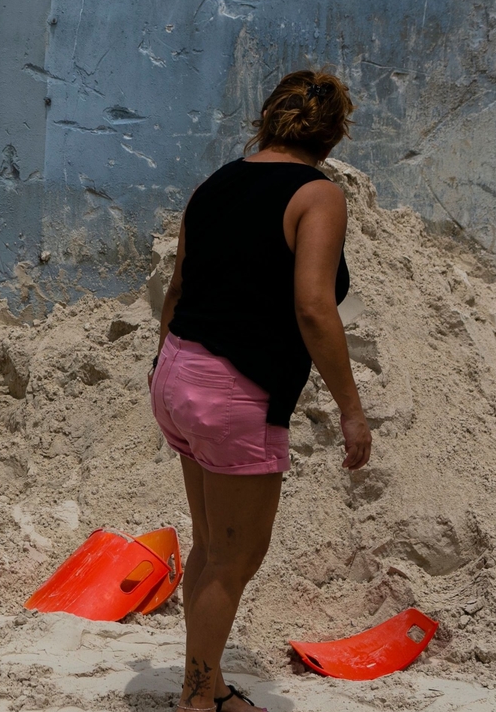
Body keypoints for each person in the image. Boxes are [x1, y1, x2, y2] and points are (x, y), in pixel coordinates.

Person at [150, 69, 373, 712]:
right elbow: (313, 308)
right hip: (233, 390)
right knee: (237, 555)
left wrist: (161, 361)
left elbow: (178, 284)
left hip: (178, 371)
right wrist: (351, 411)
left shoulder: (216, 181)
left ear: (268, 118)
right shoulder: (318, 195)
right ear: (333, 134)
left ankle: (207, 682)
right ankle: (198, 699)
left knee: (211, 546)